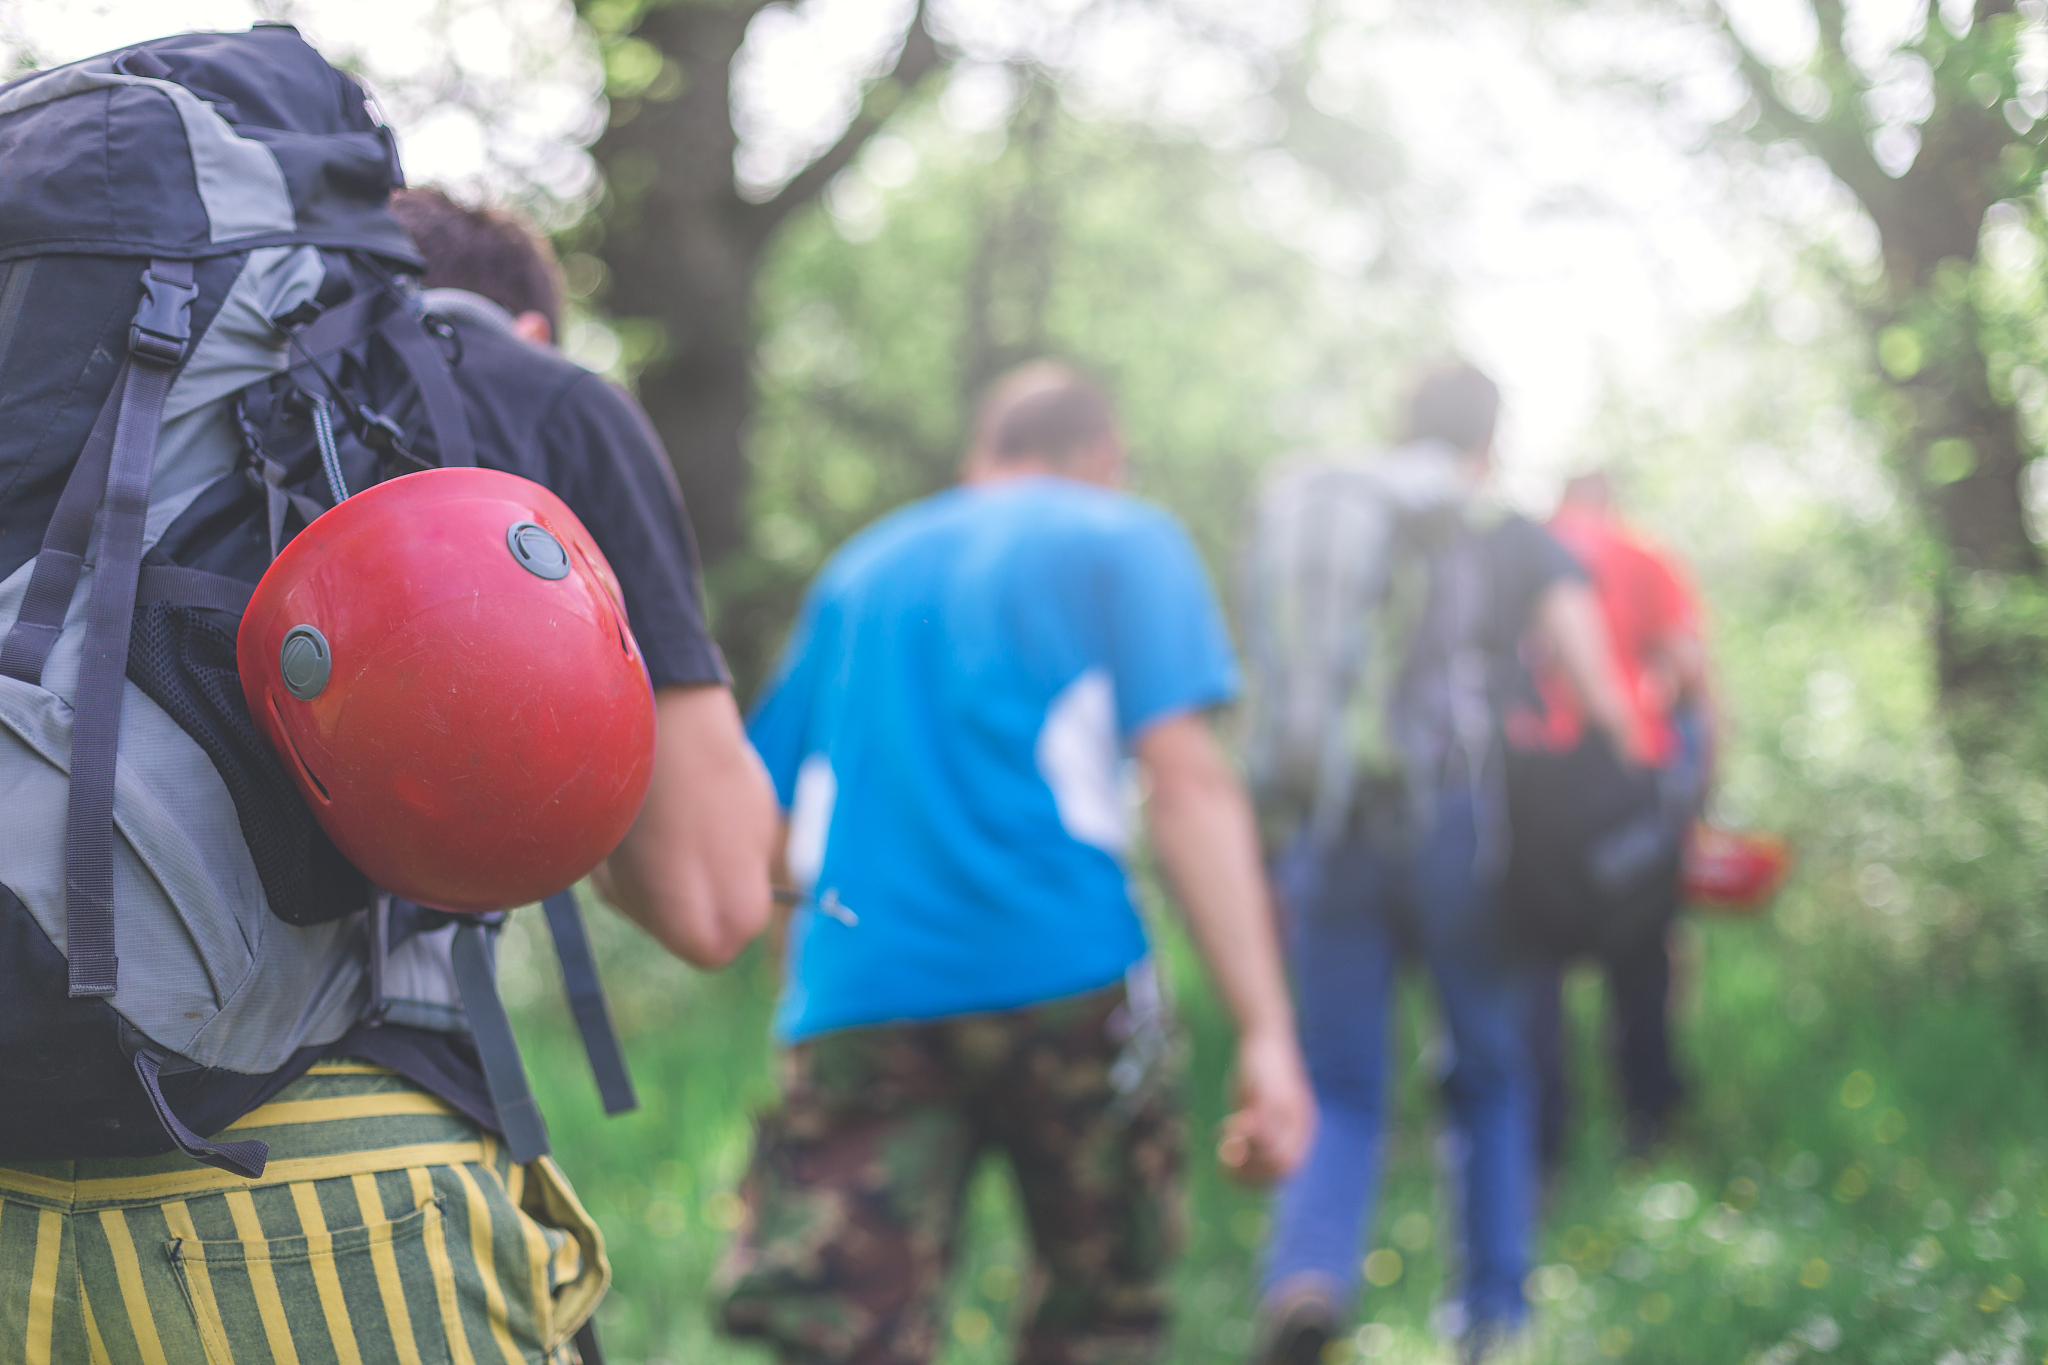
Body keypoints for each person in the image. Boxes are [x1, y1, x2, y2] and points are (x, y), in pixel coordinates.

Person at [0, 179, 778, 1363]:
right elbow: (708, 895)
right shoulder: (532, 391)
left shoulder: (62, 395)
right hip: (324, 1171)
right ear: (527, 328)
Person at [715, 360, 1317, 1365]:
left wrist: (798, 985)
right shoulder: (1120, 535)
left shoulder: (861, 568)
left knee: (841, 1335)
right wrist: (1265, 1029)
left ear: (978, 456)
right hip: (1066, 980)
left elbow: (765, 807)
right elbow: (1188, 786)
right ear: (1102, 457)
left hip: (862, 990)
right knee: (1100, 1322)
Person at [1252, 365, 1647, 1365]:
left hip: (1333, 822)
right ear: (1490, 438)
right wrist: (1635, 782)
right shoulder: (1505, 532)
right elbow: (1598, 685)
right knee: (1485, 1075)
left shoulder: (1343, 510)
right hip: (1463, 830)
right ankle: (1490, 1321)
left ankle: (1305, 1277)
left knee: (1340, 1078)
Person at [1506, 470, 1712, 1164]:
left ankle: (1544, 1138)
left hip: (1531, 778)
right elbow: (1687, 665)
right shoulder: (1645, 551)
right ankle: (1648, 1125)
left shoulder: (1525, 544)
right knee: (1642, 953)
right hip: (1624, 765)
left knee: (1535, 955)